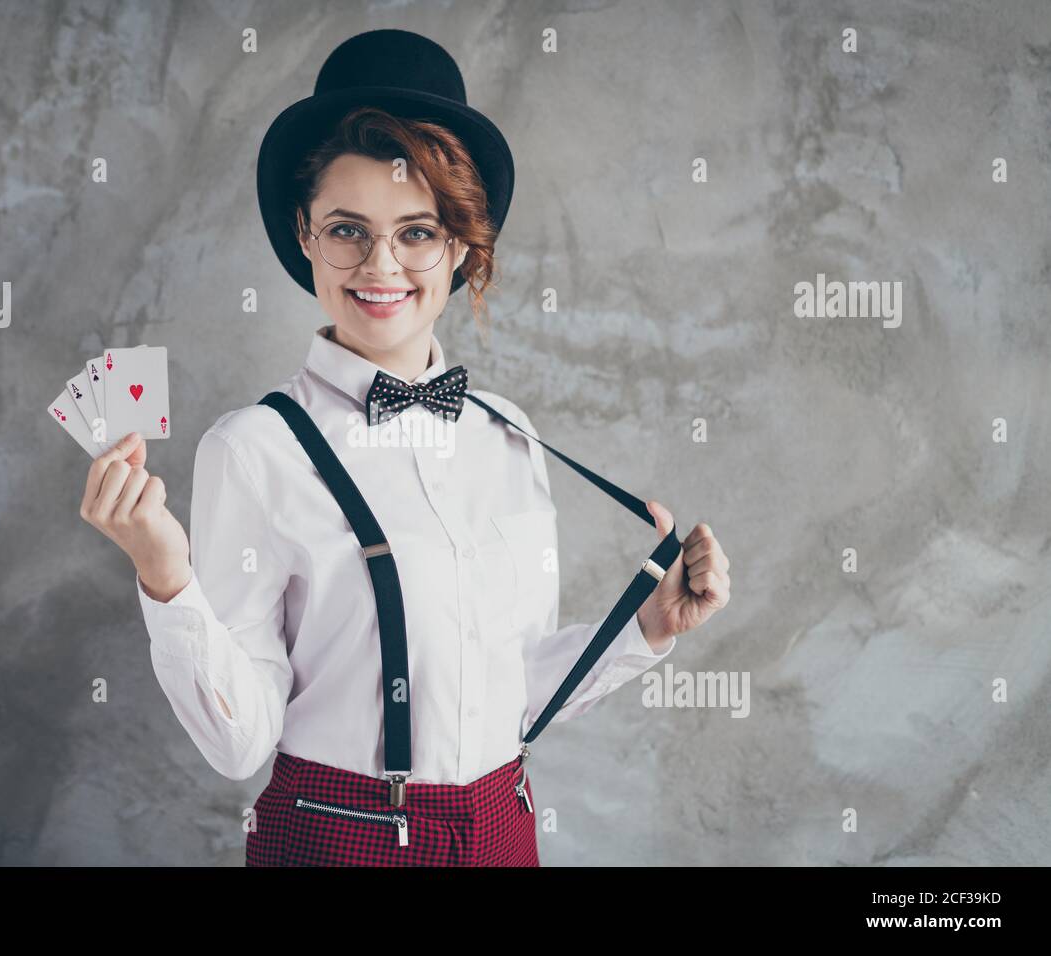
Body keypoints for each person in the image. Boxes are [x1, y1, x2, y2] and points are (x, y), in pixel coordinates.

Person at [78, 29, 731, 867]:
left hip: (505, 829)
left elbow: (512, 691)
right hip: (338, 840)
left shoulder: (509, 434)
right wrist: (164, 575)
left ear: (458, 245)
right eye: (348, 229)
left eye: (417, 232)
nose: (381, 265)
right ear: (305, 236)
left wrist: (648, 626)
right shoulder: (253, 450)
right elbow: (241, 746)